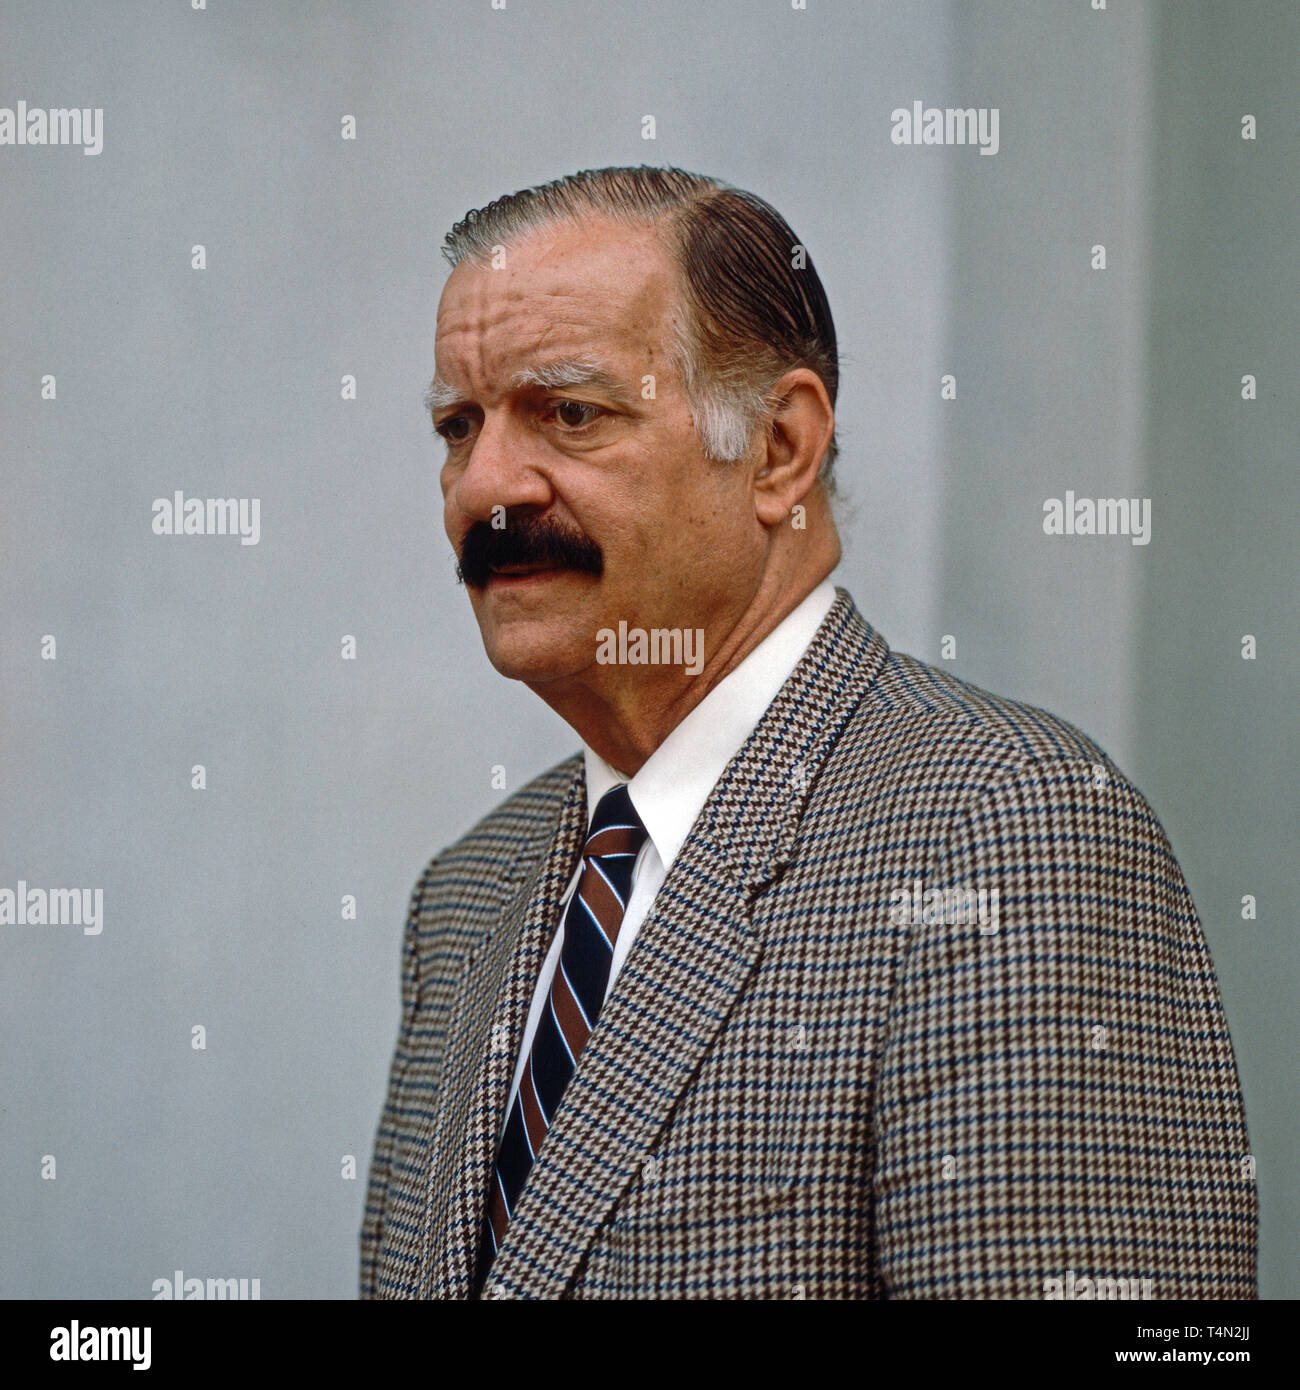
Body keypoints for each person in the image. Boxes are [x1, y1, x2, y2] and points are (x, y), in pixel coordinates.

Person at [361, 166, 1256, 1300]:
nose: (482, 487)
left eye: (568, 412)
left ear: (778, 449)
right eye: (457, 425)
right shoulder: (468, 893)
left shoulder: (1009, 830)